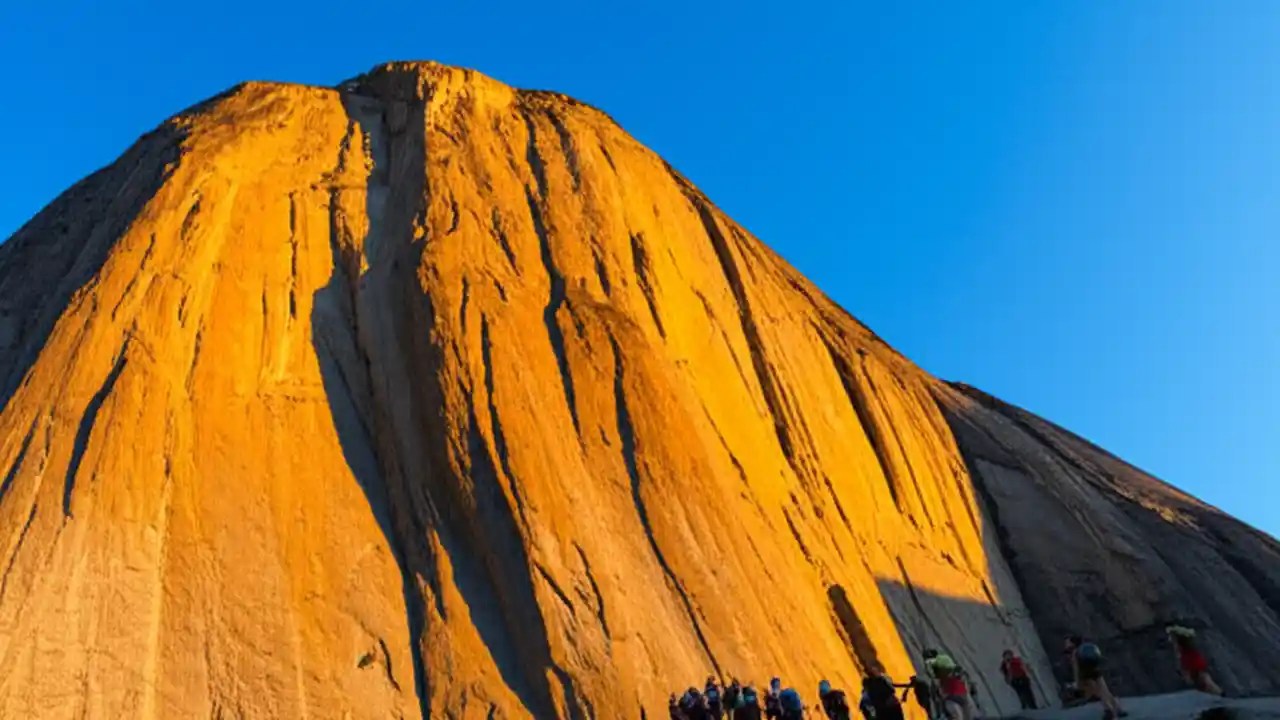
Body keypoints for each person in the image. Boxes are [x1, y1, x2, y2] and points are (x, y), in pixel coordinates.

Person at [1065, 635, 1126, 720]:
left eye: (1068, 642)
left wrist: (1077, 682)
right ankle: (1118, 709)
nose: (1066, 644)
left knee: (1100, 693)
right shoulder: (1087, 647)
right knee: (1106, 692)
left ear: (1073, 643)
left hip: (1087, 675)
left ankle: (1110, 712)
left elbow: (1076, 669)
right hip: (1096, 671)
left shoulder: (1075, 653)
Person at [1167, 625, 1224, 696]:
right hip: (1192, 662)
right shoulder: (1185, 650)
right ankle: (1216, 692)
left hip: (1192, 662)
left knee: (1203, 679)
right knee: (1203, 679)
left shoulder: (1185, 650)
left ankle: (1217, 692)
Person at [925, 650, 975, 720]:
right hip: (954, 695)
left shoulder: (942, 671)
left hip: (952, 695)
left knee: (960, 713)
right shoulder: (946, 668)